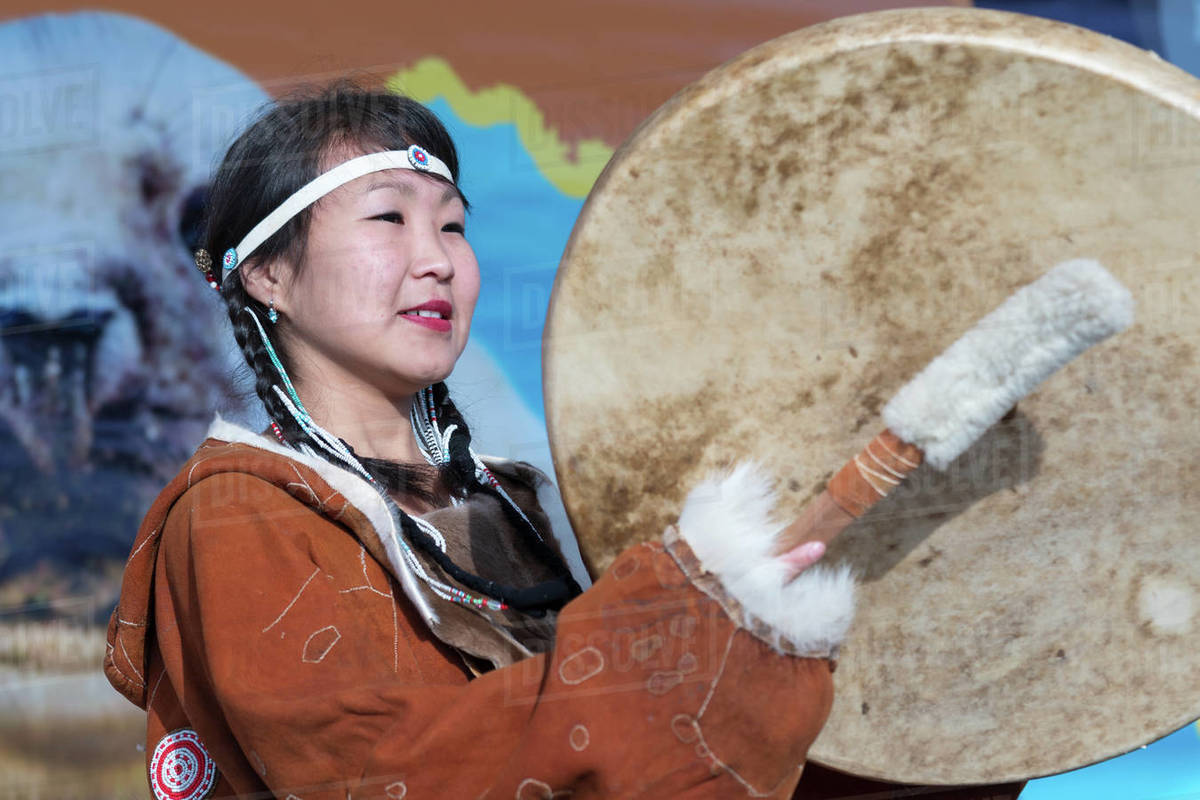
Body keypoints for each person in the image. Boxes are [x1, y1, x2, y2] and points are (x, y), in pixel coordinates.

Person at [103, 81, 858, 799]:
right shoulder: (240, 510)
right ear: (268, 272)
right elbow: (375, 770)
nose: (438, 260)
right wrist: (660, 630)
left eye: (453, 225)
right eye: (389, 219)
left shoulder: (522, 500)